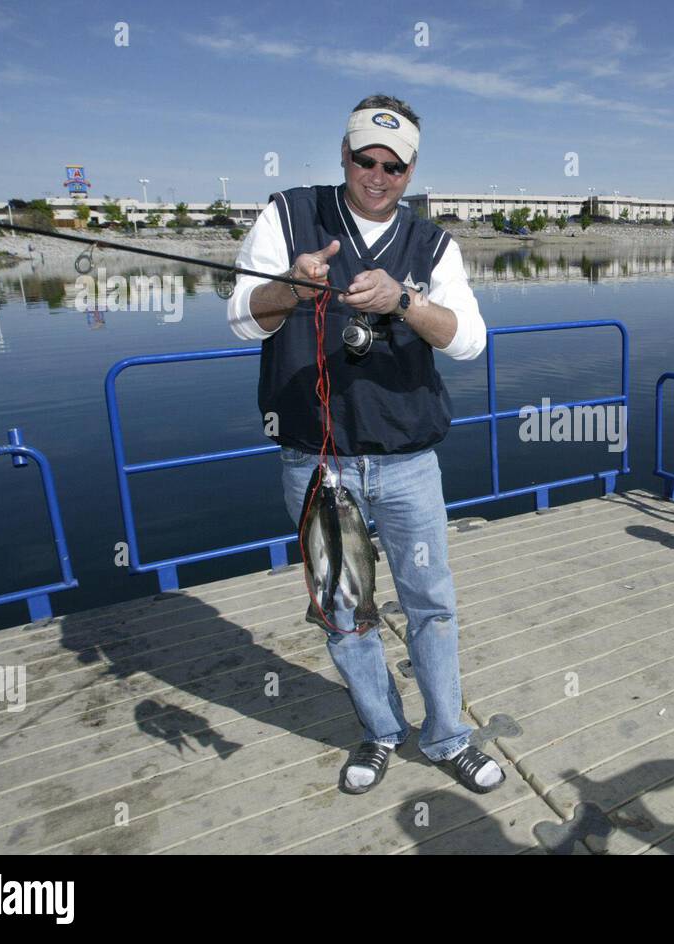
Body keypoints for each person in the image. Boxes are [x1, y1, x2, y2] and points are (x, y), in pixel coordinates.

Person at [227, 94, 505, 796]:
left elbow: (470, 341)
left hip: (408, 462)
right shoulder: (287, 214)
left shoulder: (434, 244)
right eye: (364, 159)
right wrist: (291, 290)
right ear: (344, 154)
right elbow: (239, 318)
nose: (376, 175)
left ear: (412, 170)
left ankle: (447, 738)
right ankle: (381, 731)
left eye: (394, 165)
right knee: (345, 609)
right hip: (317, 465)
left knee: (429, 603)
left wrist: (403, 304)